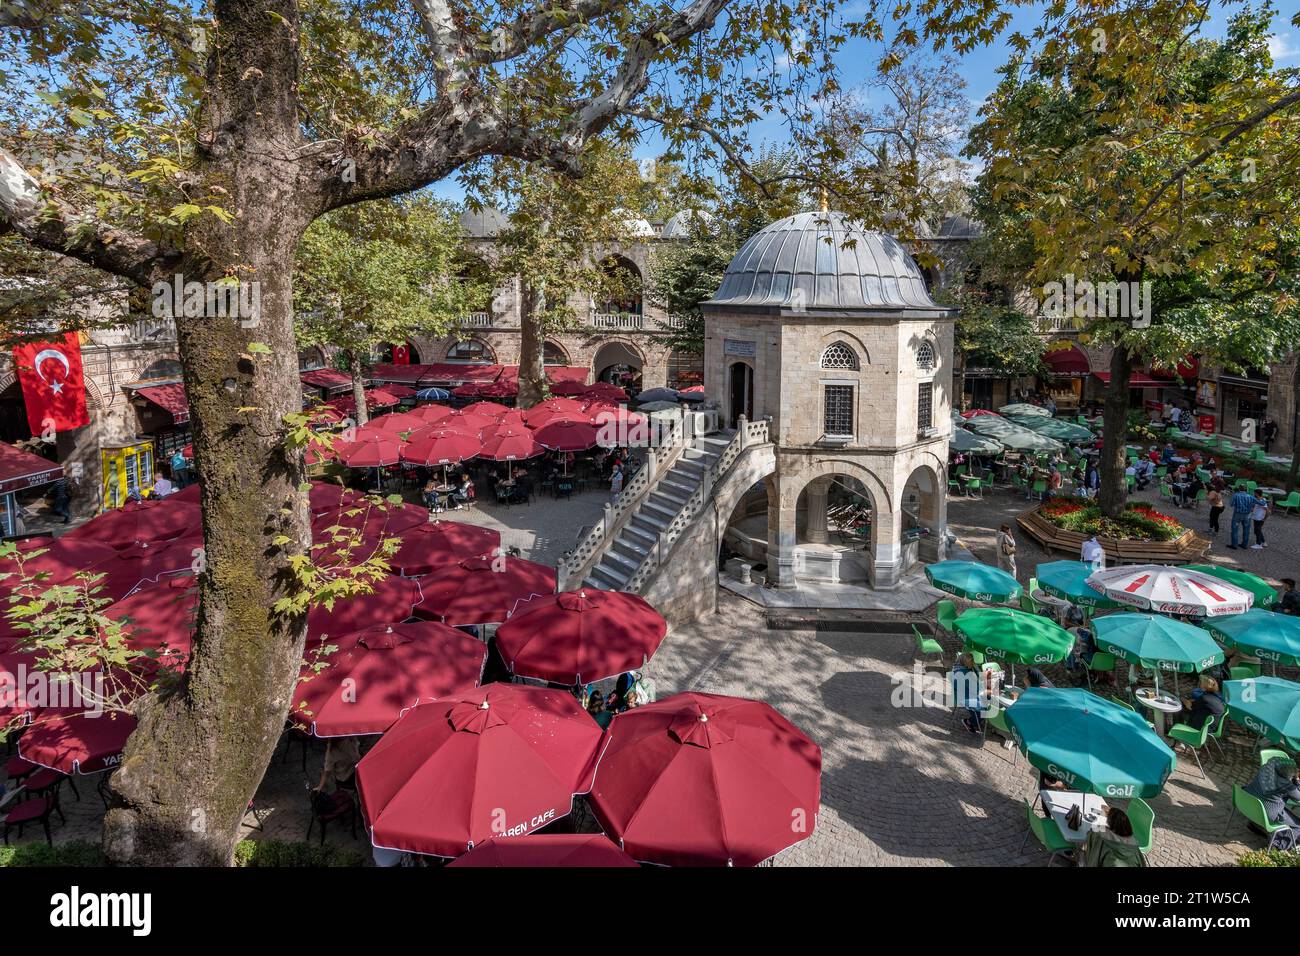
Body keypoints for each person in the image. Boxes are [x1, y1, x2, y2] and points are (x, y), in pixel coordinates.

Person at [1244, 756, 1300, 831]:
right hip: (1265, 812)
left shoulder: (1271, 763)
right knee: (1298, 825)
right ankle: (1278, 842)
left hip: (1247, 800)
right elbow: (1298, 797)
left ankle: (1255, 825)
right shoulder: (1287, 785)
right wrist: (1297, 780)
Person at [952, 652, 984, 734]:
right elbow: (976, 689)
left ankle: (975, 716)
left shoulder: (957, 668)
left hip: (963, 694)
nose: (973, 662)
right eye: (971, 662)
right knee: (986, 708)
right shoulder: (965, 674)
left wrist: (976, 669)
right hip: (966, 697)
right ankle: (969, 722)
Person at [1227, 485, 1257, 550]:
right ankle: (1244, 544)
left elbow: (1231, 504)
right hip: (1247, 515)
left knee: (1235, 529)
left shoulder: (1236, 495)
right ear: (1246, 490)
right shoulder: (1250, 496)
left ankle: (1234, 545)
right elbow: (1257, 502)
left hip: (1238, 514)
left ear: (1239, 489)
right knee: (1246, 530)